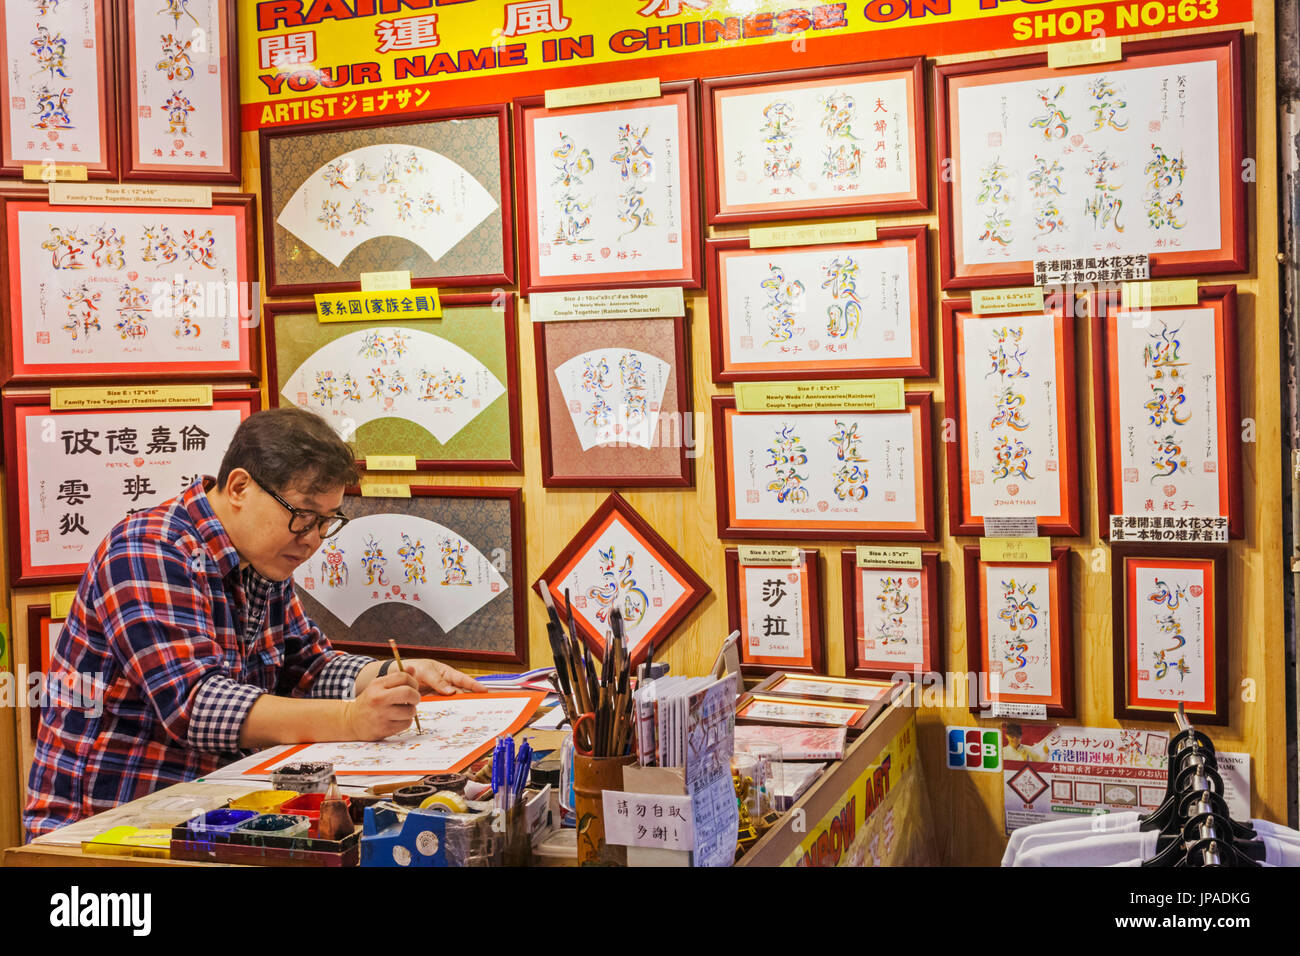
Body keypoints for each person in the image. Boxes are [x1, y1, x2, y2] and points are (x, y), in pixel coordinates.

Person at [24, 408, 483, 839]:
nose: (313, 540)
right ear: (241, 487)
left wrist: (392, 674)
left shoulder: (262, 558)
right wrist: (350, 719)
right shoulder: (148, 550)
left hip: (214, 805)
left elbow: (309, 665)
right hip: (107, 823)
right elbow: (196, 705)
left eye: (327, 522)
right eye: (303, 516)